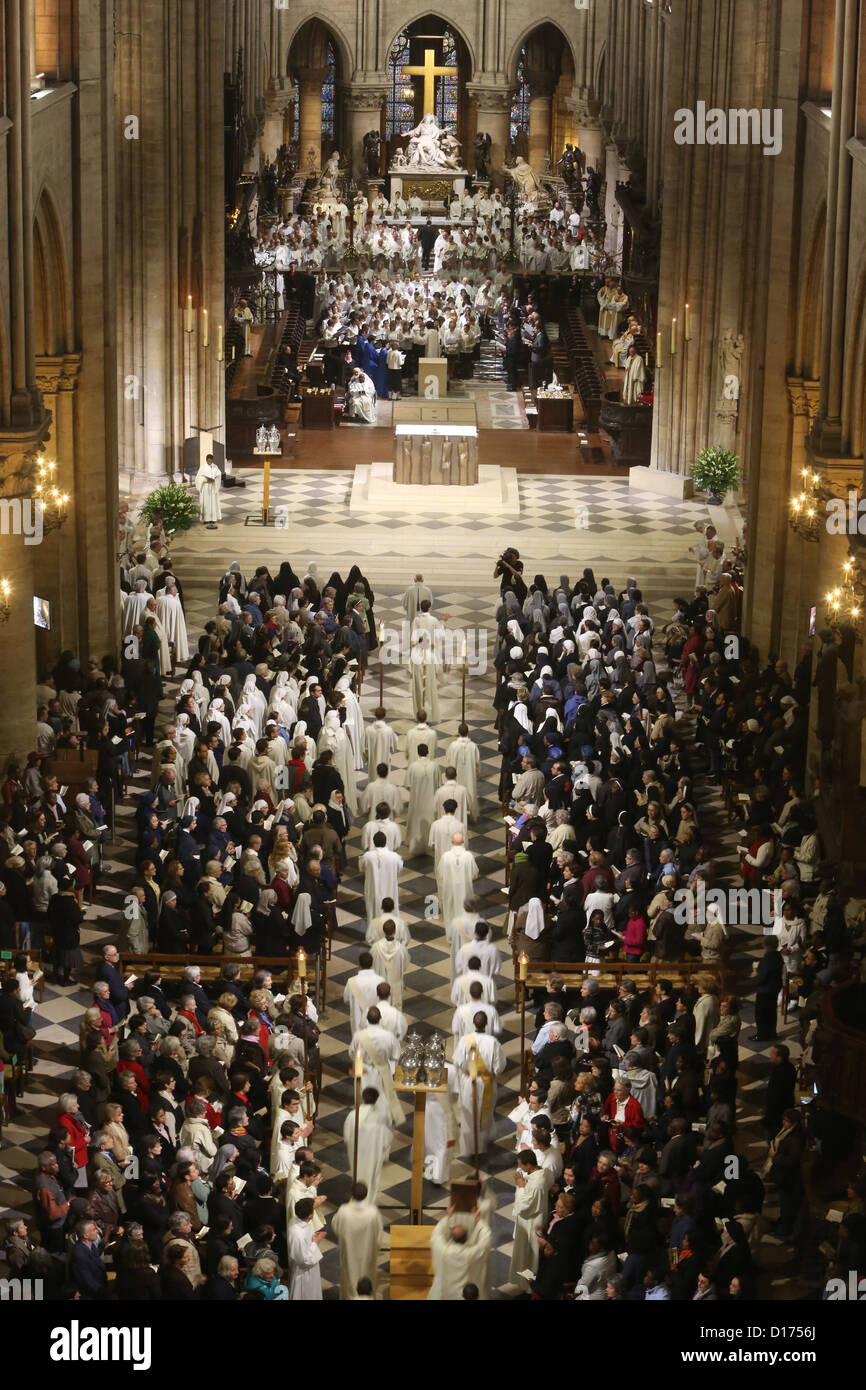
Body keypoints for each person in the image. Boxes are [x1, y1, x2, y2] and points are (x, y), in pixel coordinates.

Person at [331, 1181, 384, 1299]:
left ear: (352, 1195)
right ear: (366, 1194)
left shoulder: (344, 1211)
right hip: (368, 1253)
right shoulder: (373, 1212)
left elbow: (336, 1226)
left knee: (350, 1277)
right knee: (367, 1276)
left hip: (350, 1252)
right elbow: (379, 1234)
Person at [428, 1207, 492, 1301]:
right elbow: (486, 1238)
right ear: (467, 1237)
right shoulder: (471, 1254)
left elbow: (436, 1234)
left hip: (443, 1295)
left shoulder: (442, 1251)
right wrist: (478, 1220)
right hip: (466, 1296)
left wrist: (447, 1217)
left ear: (451, 1237)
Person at [287, 1196, 324, 1299]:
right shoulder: (298, 1234)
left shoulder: (296, 1220)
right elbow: (305, 1260)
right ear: (310, 1216)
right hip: (304, 1273)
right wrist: (315, 1242)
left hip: (307, 1267)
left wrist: (312, 1237)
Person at [195, 454, 222, 531]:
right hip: (206, 488)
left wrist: (214, 479)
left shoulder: (215, 467)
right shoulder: (203, 467)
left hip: (212, 487)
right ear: (206, 460)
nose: (210, 462)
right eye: (209, 461)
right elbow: (198, 477)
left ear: (212, 460)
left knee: (213, 503)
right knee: (205, 503)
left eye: (211, 461)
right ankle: (205, 519)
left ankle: (213, 518)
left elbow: (219, 475)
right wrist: (206, 479)